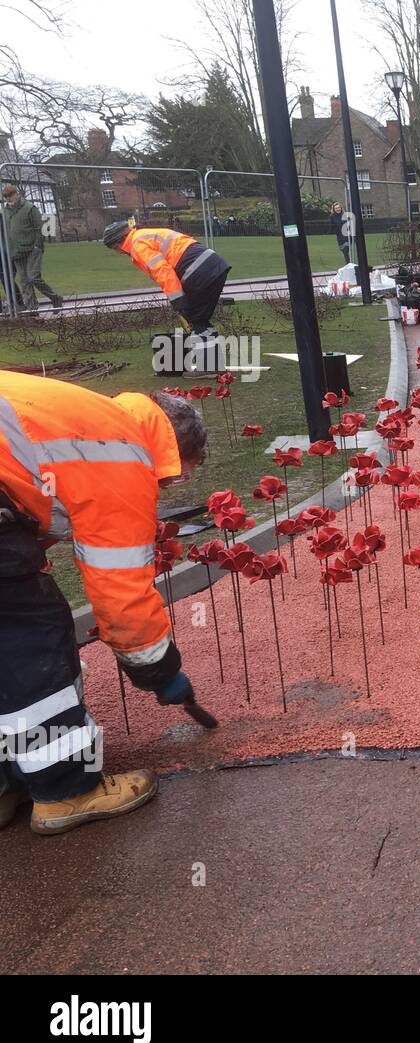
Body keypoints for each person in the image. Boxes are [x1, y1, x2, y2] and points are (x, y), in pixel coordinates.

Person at [0, 374, 209, 834]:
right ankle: (68, 789)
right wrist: (159, 670)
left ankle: (5, 786)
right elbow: (122, 597)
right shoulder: (123, 451)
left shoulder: (85, 417)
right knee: (31, 637)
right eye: (176, 475)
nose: (167, 486)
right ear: (172, 449)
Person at [102, 221, 230, 337]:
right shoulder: (144, 234)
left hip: (196, 270)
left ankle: (207, 358)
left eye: (115, 249)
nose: (119, 252)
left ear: (118, 243)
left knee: (196, 322)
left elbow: (163, 272)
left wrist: (178, 301)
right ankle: (211, 355)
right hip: (214, 265)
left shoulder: (137, 245)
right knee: (200, 320)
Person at [1, 184, 62, 313]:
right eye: (6, 196)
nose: (8, 198)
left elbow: (40, 229)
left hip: (32, 250)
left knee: (33, 277)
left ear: (17, 194)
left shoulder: (29, 208)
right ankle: (32, 311)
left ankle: (55, 297)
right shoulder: (5, 211)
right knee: (24, 282)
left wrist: (37, 246)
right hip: (16, 252)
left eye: (10, 195)